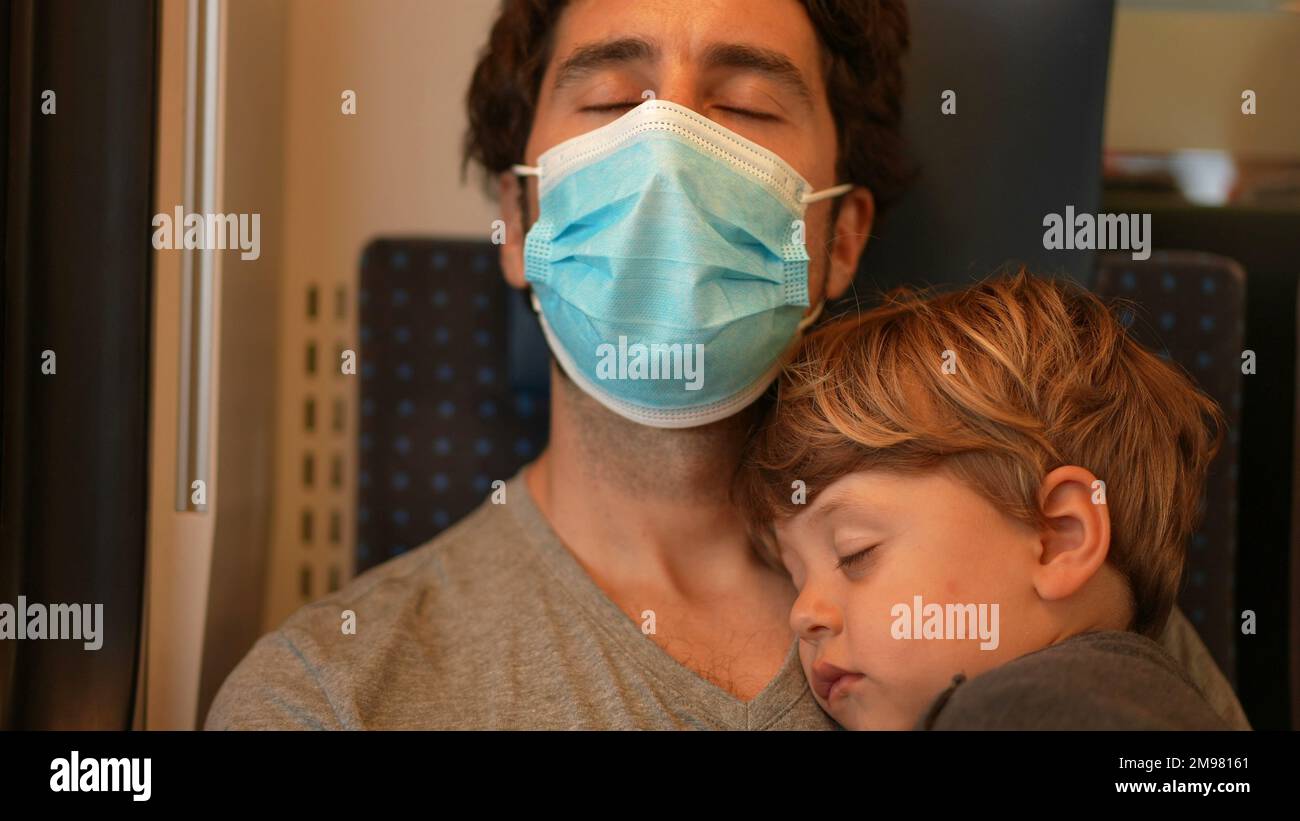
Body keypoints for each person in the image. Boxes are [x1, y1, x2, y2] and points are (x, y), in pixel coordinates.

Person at [204, 0, 1246, 730]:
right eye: (612, 101)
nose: (668, 151)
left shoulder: (1039, 589)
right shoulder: (333, 695)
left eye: (746, 109)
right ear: (519, 220)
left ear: (838, 238)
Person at [737, 270, 1242, 730]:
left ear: (1058, 538)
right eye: (795, 579)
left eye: (855, 553)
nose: (803, 615)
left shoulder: (1029, 707)